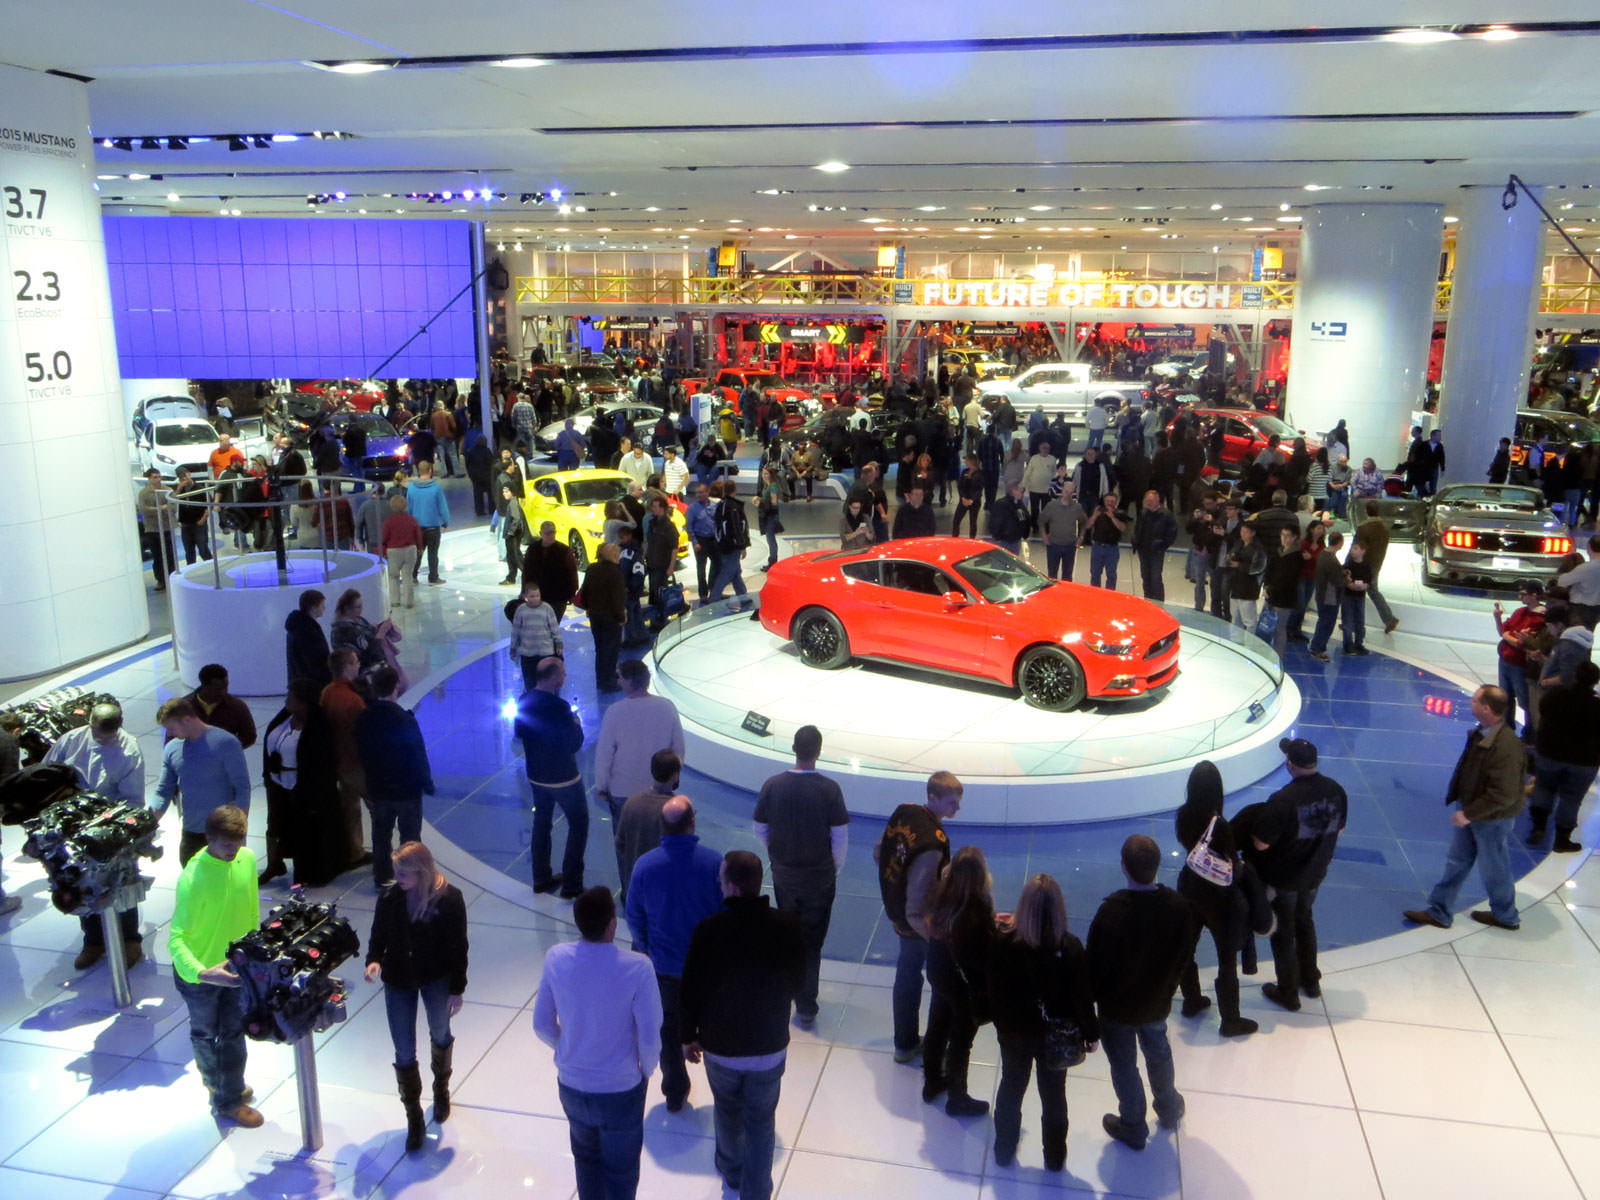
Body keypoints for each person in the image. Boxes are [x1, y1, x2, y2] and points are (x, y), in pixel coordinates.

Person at [679, 850, 806, 1199]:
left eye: (721, 879)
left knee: (727, 1110)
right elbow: (798, 980)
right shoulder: (788, 926)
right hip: (769, 1045)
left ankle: (732, 1171)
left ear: (732, 887)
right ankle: (758, 1189)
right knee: (762, 1120)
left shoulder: (709, 931)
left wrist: (688, 1036)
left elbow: (689, 989)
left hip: (721, 1048)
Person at [534, 886, 662, 1200]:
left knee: (586, 1161)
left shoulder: (556, 958)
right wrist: (646, 1068)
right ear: (612, 923)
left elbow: (541, 1024)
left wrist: (566, 1048)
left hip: (573, 1085)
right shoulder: (638, 967)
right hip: (621, 1089)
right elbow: (650, 1030)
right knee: (621, 1171)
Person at [1087, 835, 1199, 1151]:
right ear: (1157, 865)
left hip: (1117, 1009)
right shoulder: (1179, 907)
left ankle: (1133, 1124)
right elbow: (1184, 957)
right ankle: (1168, 1107)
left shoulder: (1110, 913)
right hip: (1156, 1002)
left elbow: (1093, 968)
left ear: (1123, 867)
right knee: (1159, 1051)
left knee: (1124, 1064)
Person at [987, 874, 1097, 1171]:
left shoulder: (1003, 942)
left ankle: (1004, 1148)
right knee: (1054, 1095)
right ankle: (1055, 1156)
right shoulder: (1070, 947)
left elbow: (993, 987)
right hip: (1056, 1037)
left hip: (1013, 1032)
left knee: (1011, 1087)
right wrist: (1091, 1034)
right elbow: (1082, 999)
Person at [365, 841, 469, 1151]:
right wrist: (374, 959)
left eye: (404, 873)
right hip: (398, 977)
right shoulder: (390, 897)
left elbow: (458, 946)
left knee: (440, 1032)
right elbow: (378, 933)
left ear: (422, 872)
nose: (398, 878)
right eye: (396, 872)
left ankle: (441, 1089)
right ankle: (413, 1115)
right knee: (403, 1049)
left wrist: (457, 988)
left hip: (436, 976)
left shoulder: (449, 899)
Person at [624, 795, 724, 1113]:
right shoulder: (713, 863)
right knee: (717, 1025)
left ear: (661, 826)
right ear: (692, 822)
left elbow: (634, 915)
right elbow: (726, 912)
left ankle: (675, 1091)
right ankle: (724, 1086)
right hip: (707, 969)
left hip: (664, 967)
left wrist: (644, 948)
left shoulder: (645, 866)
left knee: (667, 1030)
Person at [167, 804, 263, 1128]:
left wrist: (251, 951)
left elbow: (250, 909)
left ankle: (228, 1091)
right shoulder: (193, 878)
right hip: (200, 976)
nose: (233, 852)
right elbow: (176, 938)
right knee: (207, 1035)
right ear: (209, 839)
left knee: (233, 1033)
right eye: (226, 845)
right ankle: (225, 1095)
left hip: (234, 969)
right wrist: (200, 972)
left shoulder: (246, 859)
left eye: (238, 843)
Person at [1404, 686, 1529, 932]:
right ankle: (1439, 911)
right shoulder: (1484, 734)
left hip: (1490, 818)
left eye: (1474, 701)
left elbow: (1502, 794)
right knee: (1458, 862)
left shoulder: (1506, 747)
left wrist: (1468, 814)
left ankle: (1506, 915)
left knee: (1494, 867)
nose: (1470, 703)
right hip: (1474, 810)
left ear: (1486, 708)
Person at [1236, 738, 1347, 1009]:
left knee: (1283, 933)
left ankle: (1288, 991)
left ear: (1290, 764)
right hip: (1314, 874)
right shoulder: (1336, 791)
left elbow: (1262, 843)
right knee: (1305, 922)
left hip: (1285, 879)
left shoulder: (1283, 800)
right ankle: (1311, 981)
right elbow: (1339, 830)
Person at [752, 725, 848, 1030]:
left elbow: (759, 827)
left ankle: (785, 995)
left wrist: (777, 854)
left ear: (793, 748)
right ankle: (806, 1005)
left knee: (788, 937)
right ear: (818, 751)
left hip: (785, 877)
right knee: (811, 943)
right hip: (819, 880)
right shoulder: (829, 789)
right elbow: (840, 838)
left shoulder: (772, 785)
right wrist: (833, 867)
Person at [44, 700, 147, 968]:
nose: (104, 737)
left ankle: (130, 941)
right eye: (99, 731)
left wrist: (112, 824)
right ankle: (93, 941)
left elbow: (133, 799)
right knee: (80, 885)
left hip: (111, 827)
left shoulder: (129, 750)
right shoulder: (70, 740)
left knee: (122, 886)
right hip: (73, 825)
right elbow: (47, 773)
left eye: (109, 733)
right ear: (90, 723)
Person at [1174, 761, 1271, 1037]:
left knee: (1187, 950)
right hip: (1221, 900)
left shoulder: (1183, 817)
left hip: (1190, 888)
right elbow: (1230, 864)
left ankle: (1192, 1001)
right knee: (1226, 960)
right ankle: (1230, 1020)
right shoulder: (1220, 824)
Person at [876, 770, 962, 1064]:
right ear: (933, 798)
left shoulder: (906, 813)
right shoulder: (932, 845)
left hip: (897, 913)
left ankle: (904, 1043)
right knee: (938, 984)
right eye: (951, 803)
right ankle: (936, 1050)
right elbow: (916, 904)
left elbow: (880, 852)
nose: (957, 809)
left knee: (906, 978)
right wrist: (937, 937)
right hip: (920, 925)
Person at [922, 845, 996, 1120]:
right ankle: (957, 1097)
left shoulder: (938, 896)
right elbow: (983, 958)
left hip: (939, 974)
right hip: (964, 989)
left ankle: (932, 1082)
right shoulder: (977, 913)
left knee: (937, 1027)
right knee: (961, 1041)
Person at [513, 656, 588, 898]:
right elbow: (574, 744)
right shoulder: (560, 708)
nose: (565, 677)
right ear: (554, 677)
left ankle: (541, 877)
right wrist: (577, 724)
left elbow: (519, 734)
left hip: (536, 776)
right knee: (579, 824)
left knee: (541, 824)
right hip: (564, 777)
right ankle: (572, 883)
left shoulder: (524, 700)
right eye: (563, 673)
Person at [355, 666, 435, 888]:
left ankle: (382, 877)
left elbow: (362, 751)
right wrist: (426, 783)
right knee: (410, 837)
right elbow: (417, 753)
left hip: (379, 789)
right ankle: (412, 879)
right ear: (396, 687)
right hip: (407, 789)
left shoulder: (365, 718)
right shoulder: (404, 719)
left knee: (381, 836)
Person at [258, 677, 340, 886]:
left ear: (304, 701)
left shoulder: (318, 726)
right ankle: (274, 864)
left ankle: (307, 873)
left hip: (304, 788)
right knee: (275, 825)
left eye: (291, 697)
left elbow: (322, 765)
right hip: (278, 783)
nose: (287, 700)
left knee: (304, 831)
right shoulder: (284, 717)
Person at [152, 697, 252, 867]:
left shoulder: (226, 743)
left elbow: (242, 788)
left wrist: (238, 831)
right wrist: (148, 823)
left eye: (171, 728)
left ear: (186, 720)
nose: (169, 733)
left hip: (224, 833)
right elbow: (163, 791)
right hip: (191, 831)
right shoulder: (172, 749)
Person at [594, 659, 684, 830]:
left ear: (629, 681)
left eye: (620, 677)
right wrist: (672, 779)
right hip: (658, 787)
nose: (618, 681)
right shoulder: (667, 707)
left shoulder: (615, 711)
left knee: (625, 841)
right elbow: (678, 747)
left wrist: (602, 785)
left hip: (623, 790)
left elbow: (605, 754)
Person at [1525, 660, 1600, 852]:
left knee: (1543, 788)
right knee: (1571, 798)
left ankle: (1538, 828)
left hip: (1550, 754)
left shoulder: (1556, 696)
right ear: (1595, 682)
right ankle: (1562, 840)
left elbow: (1543, 711)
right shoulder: (1597, 705)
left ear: (1576, 676)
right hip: (1583, 762)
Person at [321, 648, 372, 871]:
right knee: (377, 806)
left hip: (336, 761)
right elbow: (363, 733)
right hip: (356, 763)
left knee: (349, 809)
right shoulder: (353, 700)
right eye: (355, 661)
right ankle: (384, 853)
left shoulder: (327, 692)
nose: (359, 664)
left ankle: (354, 852)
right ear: (347, 666)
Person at [615, 750, 680, 906]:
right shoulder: (678, 811)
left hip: (634, 888)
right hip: (662, 894)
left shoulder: (631, 803)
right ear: (675, 775)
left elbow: (620, 844)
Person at [183, 663, 258, 750]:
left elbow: (249, 736)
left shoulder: (237, 707)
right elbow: (171, 738)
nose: (223, 692)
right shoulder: (182, 707)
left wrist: (226, 750)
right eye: (218, 689)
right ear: (204, 686)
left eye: (225, 687)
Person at [584, 543, 628, 692]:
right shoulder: (615, 573)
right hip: (610, 618)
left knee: (600, 649)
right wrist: (621, 617)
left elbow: (585, 592)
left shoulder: (592, 569)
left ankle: (601, 679)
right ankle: (608, 682)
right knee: (610, 650)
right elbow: (617, 599)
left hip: (595, 616)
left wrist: (588, 608)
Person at [510, 583, 563, 693]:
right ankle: (531, 700)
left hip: (545, 652)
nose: (535, 599)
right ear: (526, 596)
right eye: (532, 596)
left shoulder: (547, 609)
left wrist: (558, 643)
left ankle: (548, 699)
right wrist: (513, 648)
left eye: (537, 596)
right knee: (530, 681)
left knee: (547, 680)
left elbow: (554, 627)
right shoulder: (521, 610)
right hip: (527, 653)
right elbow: (515, 630)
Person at [405, 460, 450, 585]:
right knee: (433, 553)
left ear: (419, 471)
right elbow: (442, 507)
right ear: (430, 470)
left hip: (417, 527)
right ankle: (433, 577)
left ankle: (413, 576)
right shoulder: (436, 487)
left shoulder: (412, 488)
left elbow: (408, 507)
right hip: (433, 527)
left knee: (417, 553)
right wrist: (445, 522)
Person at [1306, 529, 1347, 661]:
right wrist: (1346, 580)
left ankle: (1316, 647)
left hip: (1322, 595)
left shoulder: (1323, 554)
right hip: (1330, 597)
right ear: (1340, 542)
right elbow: (1336, 580)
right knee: (1327, 623)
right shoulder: (1330, 559)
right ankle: (1318, 648)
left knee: (1323, 621)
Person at [136, 467, 179, 591]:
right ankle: (161, 580)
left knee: (170, 554)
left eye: (159, 476)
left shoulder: (168, 490)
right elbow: (144, 510)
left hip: (167, 527)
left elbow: (173, 507)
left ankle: (172, 578)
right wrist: (162, 508)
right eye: (155, 477)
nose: (158, 479)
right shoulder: (143, 493)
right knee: (157, 555)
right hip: (152, 529)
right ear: (149, 479)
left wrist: (157, 509)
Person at [709, 479, 752, 601]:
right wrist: (742, 545)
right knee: (728, 572)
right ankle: (714, 597)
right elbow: (736, 527)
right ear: (735, 490)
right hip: (732, 546)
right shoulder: (732, 507)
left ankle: (743, 597)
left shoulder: (722, 505)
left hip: (724, 545)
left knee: (735, 573)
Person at [1132, 489, 1177, 601]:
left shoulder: (1166, 515)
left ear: (1157, 500)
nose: (1149, 503)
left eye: (1151, 500)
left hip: (1156, 551)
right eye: (1147, 500)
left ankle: (1159, 602)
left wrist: (1162, 545)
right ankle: (1148, 600)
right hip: (1143, 550)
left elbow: (1172, 533)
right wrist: (1135, 541)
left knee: (1156, 578)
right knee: (1145, 577)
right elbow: (1138, 529)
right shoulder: (1143, 513)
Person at [1038, 482, 1086, 581]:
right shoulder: (1051, 506)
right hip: (1053, 545)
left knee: (1068, 576)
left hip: (1070, 546)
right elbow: (1041, 521)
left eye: (1070, 492)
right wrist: (1044, 535)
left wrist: (1081, 537)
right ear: (1062, 490)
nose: (1067, 494)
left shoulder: (1077, 508)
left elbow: (1084, 523)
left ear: (1073, 493)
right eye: (1066, 491)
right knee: (1052, 575)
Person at [1227, 521, 1267, 635]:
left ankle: (1249, 645)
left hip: (1248, 587)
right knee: (1235, 617)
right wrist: (1230, 559)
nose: (1243, 534)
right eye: (1242, 531)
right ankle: (1236, 643)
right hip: (1235, 585)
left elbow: (1258, 567)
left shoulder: (1258, 548)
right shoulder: (1239, 543)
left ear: (1253, 533)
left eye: (1246, 532)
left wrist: (1240, 565)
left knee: (1249, 621)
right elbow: (1231, 555)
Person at [1083, 492, 1125, 589]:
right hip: (1097, 547)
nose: (1110, 503)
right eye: (1107, 501)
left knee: (1111, 575)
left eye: (1112, 501)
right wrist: (1094, 516)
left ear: (1116, 502)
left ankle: (1109, 596)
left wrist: (1112, 517)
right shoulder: (1098, 512)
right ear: (1104, 501)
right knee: (1095, 573)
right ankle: (1095, 596)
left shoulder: (1119, 513)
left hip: (1112, 549)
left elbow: (1122, 528)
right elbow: (1087, 526)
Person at [172, 466, 213, 564]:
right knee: (189, 551)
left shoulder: (200, 488)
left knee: (203, 549)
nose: (184, 479)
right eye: (181, 477)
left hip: (198, 523)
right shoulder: (179, 490)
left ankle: (211, 566)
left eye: (185, 476)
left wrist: (203, 520)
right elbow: (173, 500)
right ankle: (190, 569)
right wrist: (179, 488)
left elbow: (209, 505)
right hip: (185, 524)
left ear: (189, 474)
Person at [686, 482, 719, 601]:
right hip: (700, 541)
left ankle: (713, 588)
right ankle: (703, 594)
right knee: (701, 569)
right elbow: (688, 526)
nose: (698, 495)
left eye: (701, 492)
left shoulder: (715, 505)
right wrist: (695, 542)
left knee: (717, 564)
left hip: (713, 540)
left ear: (707, 492)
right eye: (697, 493)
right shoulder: (692, 508)